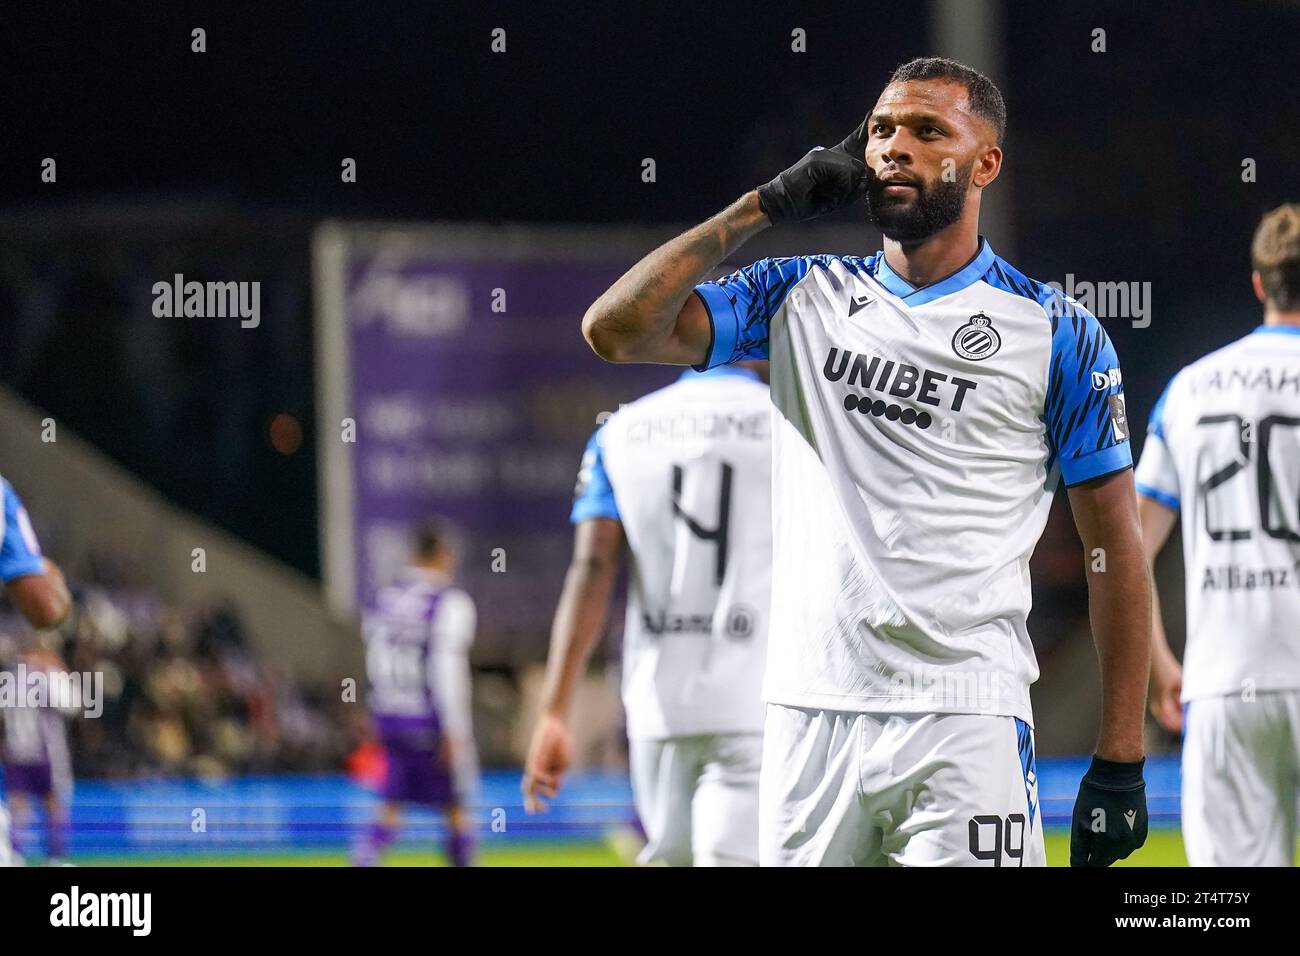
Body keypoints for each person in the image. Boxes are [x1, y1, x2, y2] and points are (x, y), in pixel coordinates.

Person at [580, 57, 1150, 866]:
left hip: (965, 718)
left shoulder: (1055, 331)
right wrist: (762, 205)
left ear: (985, 162)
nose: (894, 148)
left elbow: (1115, 548)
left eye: (928, 131)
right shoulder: (799, 294)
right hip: (805, 715)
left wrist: (1121, 754)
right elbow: (615, 330)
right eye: (880, 130)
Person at [523, 363, 773, 865]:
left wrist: (555, 711)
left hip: (658, 707)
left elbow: (591, 567)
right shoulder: (793, 420)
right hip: (763, 698)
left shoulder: (620, 431)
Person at [1137, 203, 1300, 866]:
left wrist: (1158, 664)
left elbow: (1125, 552)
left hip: (1225, 679)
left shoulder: (1189, 390)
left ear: (1260, 283)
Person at [352, 518, 477, 866]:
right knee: (456, 808)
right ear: (442, 554)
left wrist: (376, 711)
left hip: (391, 718)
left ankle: (363, 859)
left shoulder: (383, 599)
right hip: (428, 721)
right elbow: (445, 670)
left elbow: (375, 661)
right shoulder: (448, 603)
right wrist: (455, 729)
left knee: (391, 806)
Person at [0, 475, 72, 867]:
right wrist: (52, 578)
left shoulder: (13, 673)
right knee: (49, 802)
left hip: (18, 750)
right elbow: (47, 608)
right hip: (44, 750)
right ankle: (54, 860)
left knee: (22, 804)